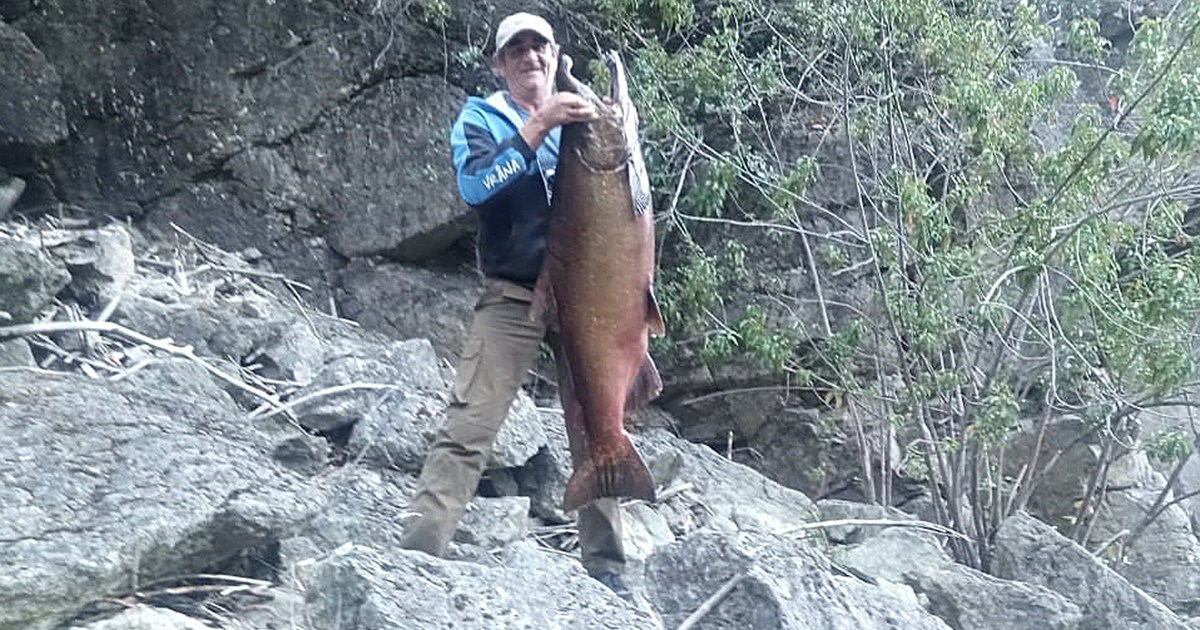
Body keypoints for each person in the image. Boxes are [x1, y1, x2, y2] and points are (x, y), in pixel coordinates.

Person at [398, 11, 633, 600]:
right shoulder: (481, 118)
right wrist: (538, 126)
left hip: (588, 297)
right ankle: (418, 553)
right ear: (500, 64)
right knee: (470, 422)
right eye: (517, 49)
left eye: (539, 46)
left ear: (554, 54)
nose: (530, 57)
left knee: (597, 424)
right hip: (515, 293)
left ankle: (608, 567)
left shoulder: (586, 120)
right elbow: (477, 187)